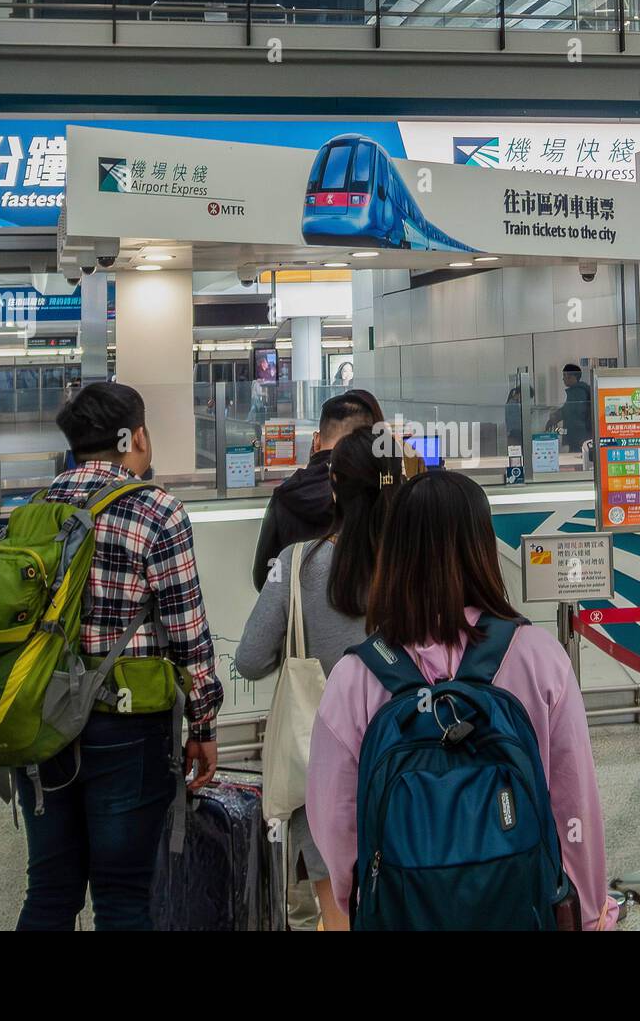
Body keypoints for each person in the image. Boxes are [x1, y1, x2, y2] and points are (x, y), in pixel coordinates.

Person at [307, 471, 618, 930]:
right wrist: (589, 914)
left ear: (391, 556)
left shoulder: (355, 677)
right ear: (482, 549)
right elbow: (574, 807)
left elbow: (335, 825)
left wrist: (363, 898)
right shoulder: (539, 658)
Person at [21, 382, 222, 930]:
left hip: (42, 724)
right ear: (134, 438)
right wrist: (202, 723)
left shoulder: (36, 510)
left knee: (50, 891)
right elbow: (188, 635)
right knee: (124, 895)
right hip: (127, 727)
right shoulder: (156, 511)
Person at [235, 427, 402, 931]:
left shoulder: (295, 564)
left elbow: (248, 659)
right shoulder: (414, 566)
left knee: (337, 910)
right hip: (410, 760)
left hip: (323, 766)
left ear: (333, 486)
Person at [251, 393, 375, 591]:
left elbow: (263, 578)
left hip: (300, 616)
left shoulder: (285, 495)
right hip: (362, 615)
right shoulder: (379, 492)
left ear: (316, 440)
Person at [547, 363, 593, 452]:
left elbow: (571, 411)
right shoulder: (580, 391)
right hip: (581, 436)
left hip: (579, 437)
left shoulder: (577, 392)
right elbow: (568, 409)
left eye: (565, 375)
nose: (563, 378)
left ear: (572, 377)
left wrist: (555, 417)